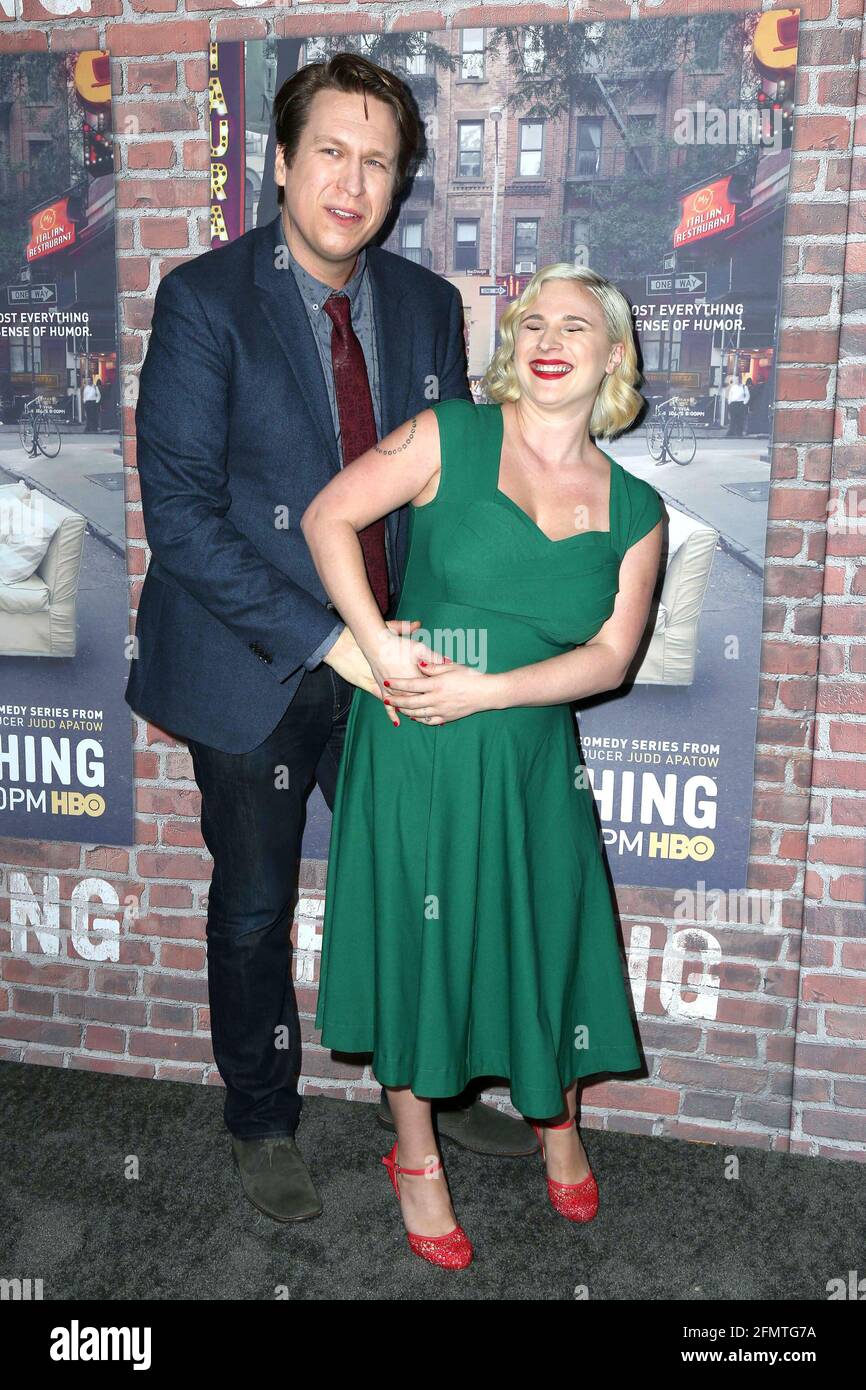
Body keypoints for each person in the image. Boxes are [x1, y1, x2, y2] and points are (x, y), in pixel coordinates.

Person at [125, 52, 533, 1226]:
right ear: (281, 162)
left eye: (376, 161)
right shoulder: (204, 300)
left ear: (399, 180)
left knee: (423, 882)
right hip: (253, 662)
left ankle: (438, 1085)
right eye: (330, 154)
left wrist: (459, 643)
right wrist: (329, 640)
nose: (351, 182)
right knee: (254, 901)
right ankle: (260, 1114)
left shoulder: (423, 305)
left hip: (392, 652)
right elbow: (186, 521)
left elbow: (441, 497)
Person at [302, 263, 665, 1268]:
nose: (549, 339)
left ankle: (556, 1118)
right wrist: (375, 647)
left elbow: (607, 657)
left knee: (542, 936)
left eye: (576, 326)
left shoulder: (635, 508)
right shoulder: (448, 436)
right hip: (417, 745)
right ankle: (413, 1155)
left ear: (611, 357)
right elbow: (326, 516)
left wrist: (489, 690)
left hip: (532, 757)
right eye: (533, 322)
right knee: (421, 947)